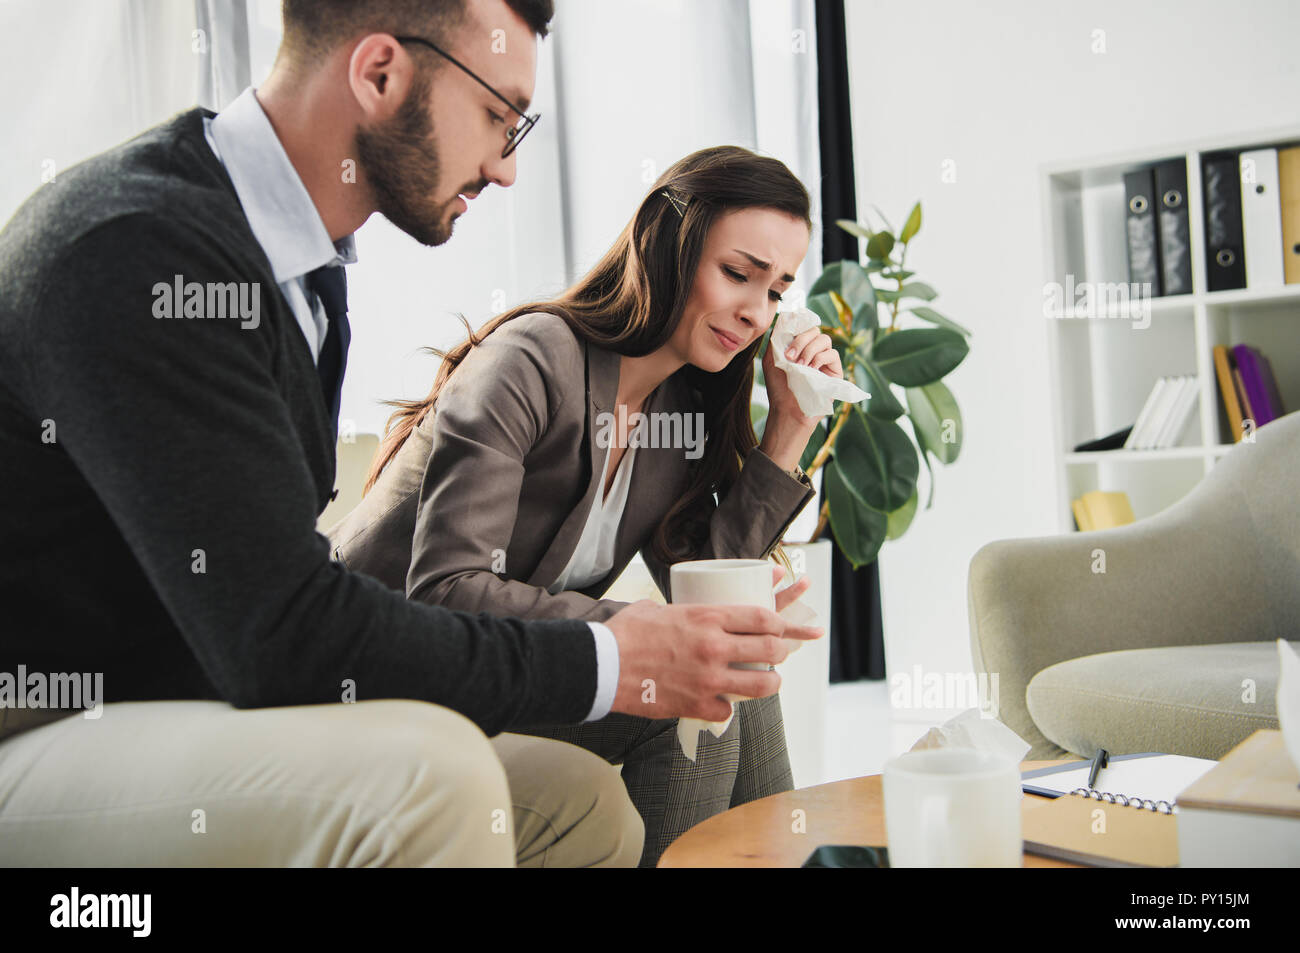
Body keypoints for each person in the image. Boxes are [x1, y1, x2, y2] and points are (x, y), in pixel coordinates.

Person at [0, 0, 820, 867]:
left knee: (585, 797)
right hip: (52, 715)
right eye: (498, 115)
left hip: (197, 690)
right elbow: (280, 635)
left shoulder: (305, 278)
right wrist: (613, 652)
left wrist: (782, 441)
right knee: (441, 779)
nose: (506, 168)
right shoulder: (141, 246)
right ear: (380, 72)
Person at [328, 145, 842, 864]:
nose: (758, 313)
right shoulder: (532, 359)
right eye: (738, 274)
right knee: (698, 696)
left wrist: (788, 430)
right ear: (668, 242)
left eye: (778, 291)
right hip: (385, 686)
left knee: (732, 681)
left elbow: (700, 587)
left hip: (498, 679)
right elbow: (445, 590)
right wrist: (641, 632)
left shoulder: (676, 411)